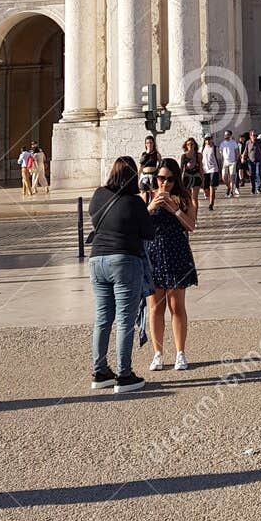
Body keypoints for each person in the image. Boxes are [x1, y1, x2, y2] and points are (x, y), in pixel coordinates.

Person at [87, 156, 154, 394]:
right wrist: (148, 205)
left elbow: (96, 221)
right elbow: (148, 233)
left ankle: (100, 371)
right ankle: (124, 376)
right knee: (126, 319)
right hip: (124, 260)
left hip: (97, 260)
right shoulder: (134, 202)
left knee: (103, 318)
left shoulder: (97, 195)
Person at [142, 158, 199, 372]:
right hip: (154, 255)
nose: (164, 183)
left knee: (177, 306)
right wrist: (150, 207)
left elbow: (191, 225)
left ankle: (180, 353)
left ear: (176, 180)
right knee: (156, 307)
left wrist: (175, 209)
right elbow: (138, 223)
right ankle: (157, 354)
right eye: (160, 178)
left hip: (176, 254)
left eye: (169, 179)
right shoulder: (147, 195)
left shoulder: (184, 198)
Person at [199, 134, 219, 209]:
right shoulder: (202, 149)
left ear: (212, 139)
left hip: (214, 169)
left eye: (209, 139)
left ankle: (211, 204)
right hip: (205, 170)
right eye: (206, 139)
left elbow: (219, 160)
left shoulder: (215, 148)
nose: (207, 141)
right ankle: (208, 196)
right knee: (205, 188)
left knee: (212, 187)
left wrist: (219, 170)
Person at [220, 129, 241, 197]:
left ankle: (231, 191)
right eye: (225, 135)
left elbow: (237, 152)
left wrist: (236, 160)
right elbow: (220, 153)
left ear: (230, 135)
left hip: (232, 162)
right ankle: (229, 187)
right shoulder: (222, 143)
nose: (226, 136)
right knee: (224, 177)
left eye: (227, 135)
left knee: (232, 177)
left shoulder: (233, 142)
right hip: (225, 163)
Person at [245, 130, 261, 195]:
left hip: (258, 160)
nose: (255, 137)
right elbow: (246, 150)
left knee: (257, 174)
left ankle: (258, 188)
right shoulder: (248, 142)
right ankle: (253, 188)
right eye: (253, 135)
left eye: (256, 135)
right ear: (250, 136)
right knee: (252, 175)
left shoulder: (259, 142)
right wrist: (243, 157)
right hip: (251, 161)